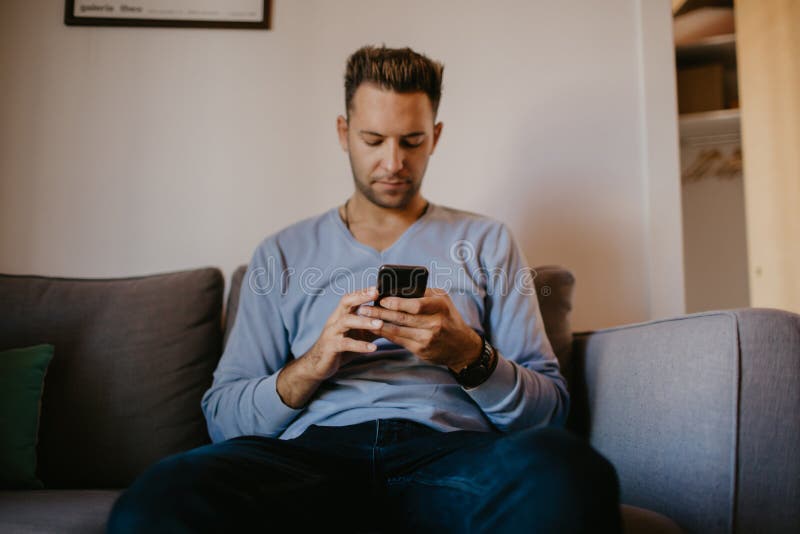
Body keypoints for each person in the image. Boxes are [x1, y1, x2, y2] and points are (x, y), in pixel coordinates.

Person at [108, 45, 621, 533]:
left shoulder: (487, 241)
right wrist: (314, 363)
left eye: (412, 141)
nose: (394, 162)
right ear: (343, 132)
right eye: (373, 140)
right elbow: (223, 416)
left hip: (450, 456)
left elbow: (549, 412)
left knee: (566, 470)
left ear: (436, 136)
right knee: (163, 493)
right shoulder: (282, 252)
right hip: (311, 457)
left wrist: (469, 355)